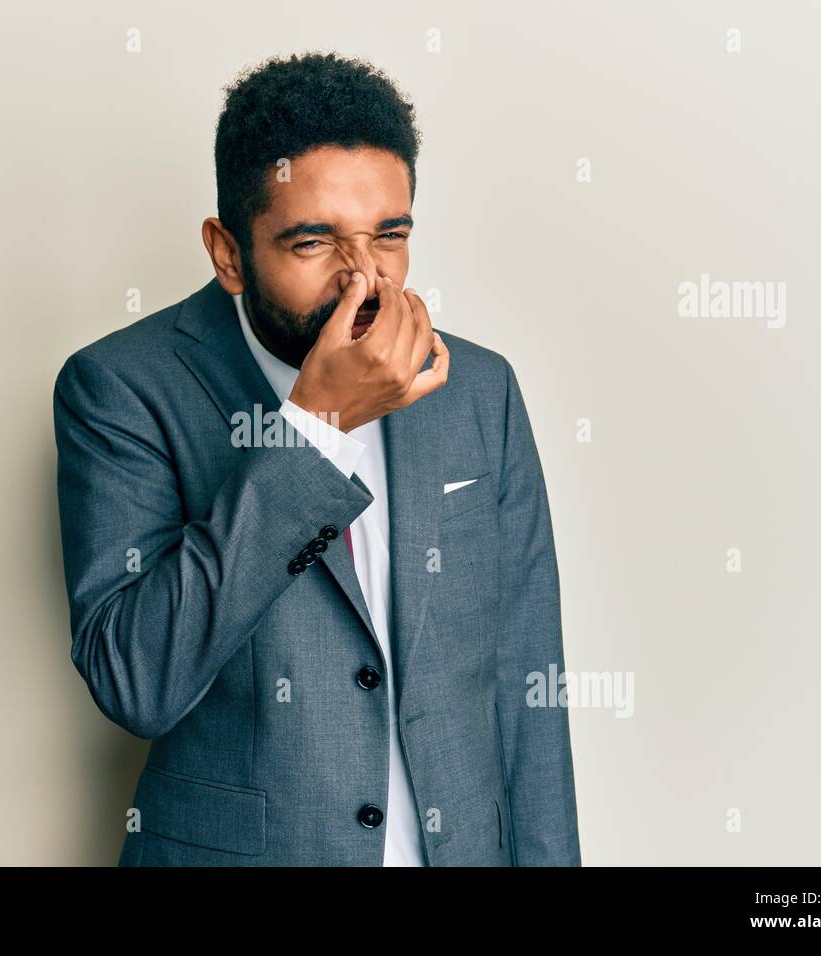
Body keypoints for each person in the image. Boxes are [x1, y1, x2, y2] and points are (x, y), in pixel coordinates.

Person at [53, 51, 580, 866]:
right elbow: (135, 680)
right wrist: (319, 425)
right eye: (313, 242)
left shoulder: (481, 389)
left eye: (390, 236)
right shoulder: (120, 388)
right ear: (228, 252)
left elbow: (527, 693)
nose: (363, 279)